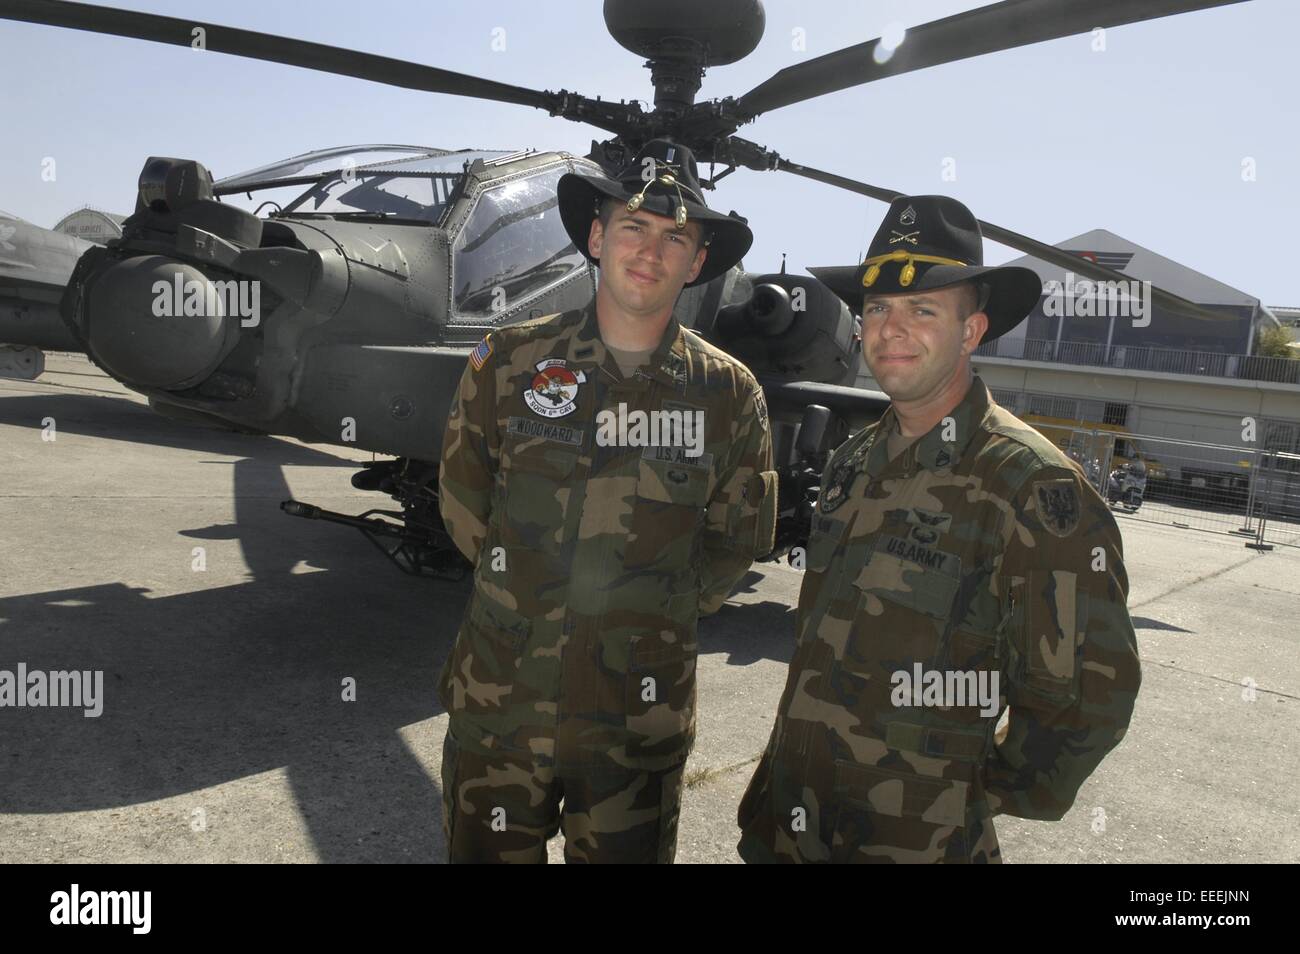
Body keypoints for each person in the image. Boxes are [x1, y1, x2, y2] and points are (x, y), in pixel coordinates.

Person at [736, 195, 1141, 863]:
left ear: (972, 330)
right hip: (790, 822)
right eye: (877, 308)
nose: (891, 329)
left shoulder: (1030, 485)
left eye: (923, 309)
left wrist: (970, 793)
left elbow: (1087, 696)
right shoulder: (853, 460)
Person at [437, 139, 777, 863]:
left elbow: (734, 545)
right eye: (633, 226)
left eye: (675, 237)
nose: (650, 251)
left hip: (635, 731)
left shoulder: (729, 395)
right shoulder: (507, 364)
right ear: (597, 237)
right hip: (500, 711)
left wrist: (645, 614)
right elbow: (464, 508)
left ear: (697, 262)